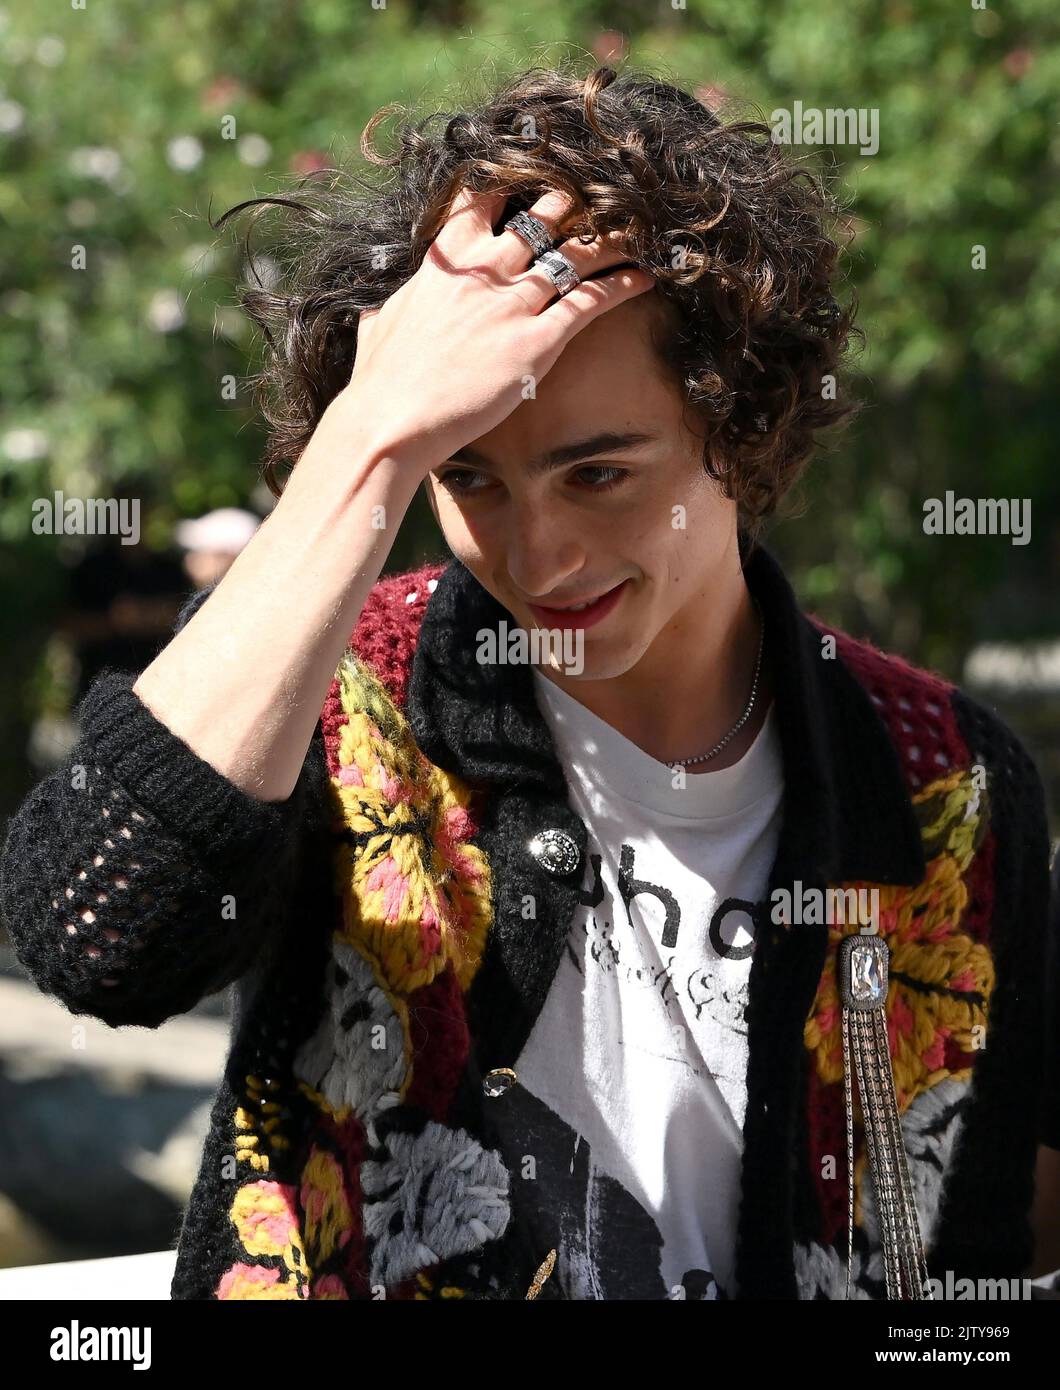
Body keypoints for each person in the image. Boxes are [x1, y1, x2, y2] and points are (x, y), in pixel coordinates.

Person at [1, 64, 1057, 1302]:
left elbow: (991, 1254)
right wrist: (370, 433)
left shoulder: (943, 778)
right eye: (469, 476)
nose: (538, 556)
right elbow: (100, 939)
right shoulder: (335, 700)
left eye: (599, 474)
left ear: (745, 425)